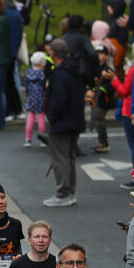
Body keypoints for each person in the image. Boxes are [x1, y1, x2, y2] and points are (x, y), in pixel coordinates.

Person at [44, 39, 84, 207]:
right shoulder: (75, 70)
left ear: (53, 53)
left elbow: (58, 99)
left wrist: (51, 118)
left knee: (60, 159)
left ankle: (63, 192)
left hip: (62, 122)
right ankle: (70, 192)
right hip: (75, 119)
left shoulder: (60, 73)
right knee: (69, 157)